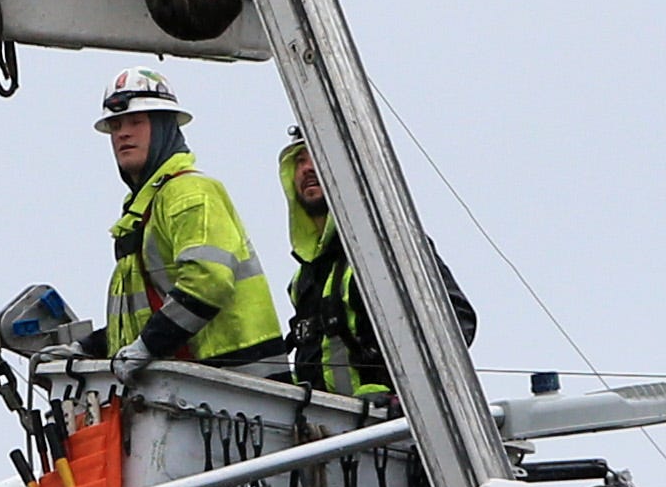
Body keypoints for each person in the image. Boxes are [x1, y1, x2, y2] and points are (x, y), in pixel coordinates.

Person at [95, 68, 281, 381]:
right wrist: (89, 347)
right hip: (200, 391)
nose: (122, 133)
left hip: (242, 390)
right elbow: (146, 318)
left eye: (136, 122)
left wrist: (147, 345)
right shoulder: (143, 210)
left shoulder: (188, 191)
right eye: (115, 125)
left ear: (164, 127)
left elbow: (208, 280)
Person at [280, 128, 475, 402]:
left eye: (317, 156)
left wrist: (406, 395)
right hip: (329, 426)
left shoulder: (389, 245)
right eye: (299, 160)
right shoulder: (304, 276)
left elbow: (455, 322)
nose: (307, 168)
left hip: (390, 427)